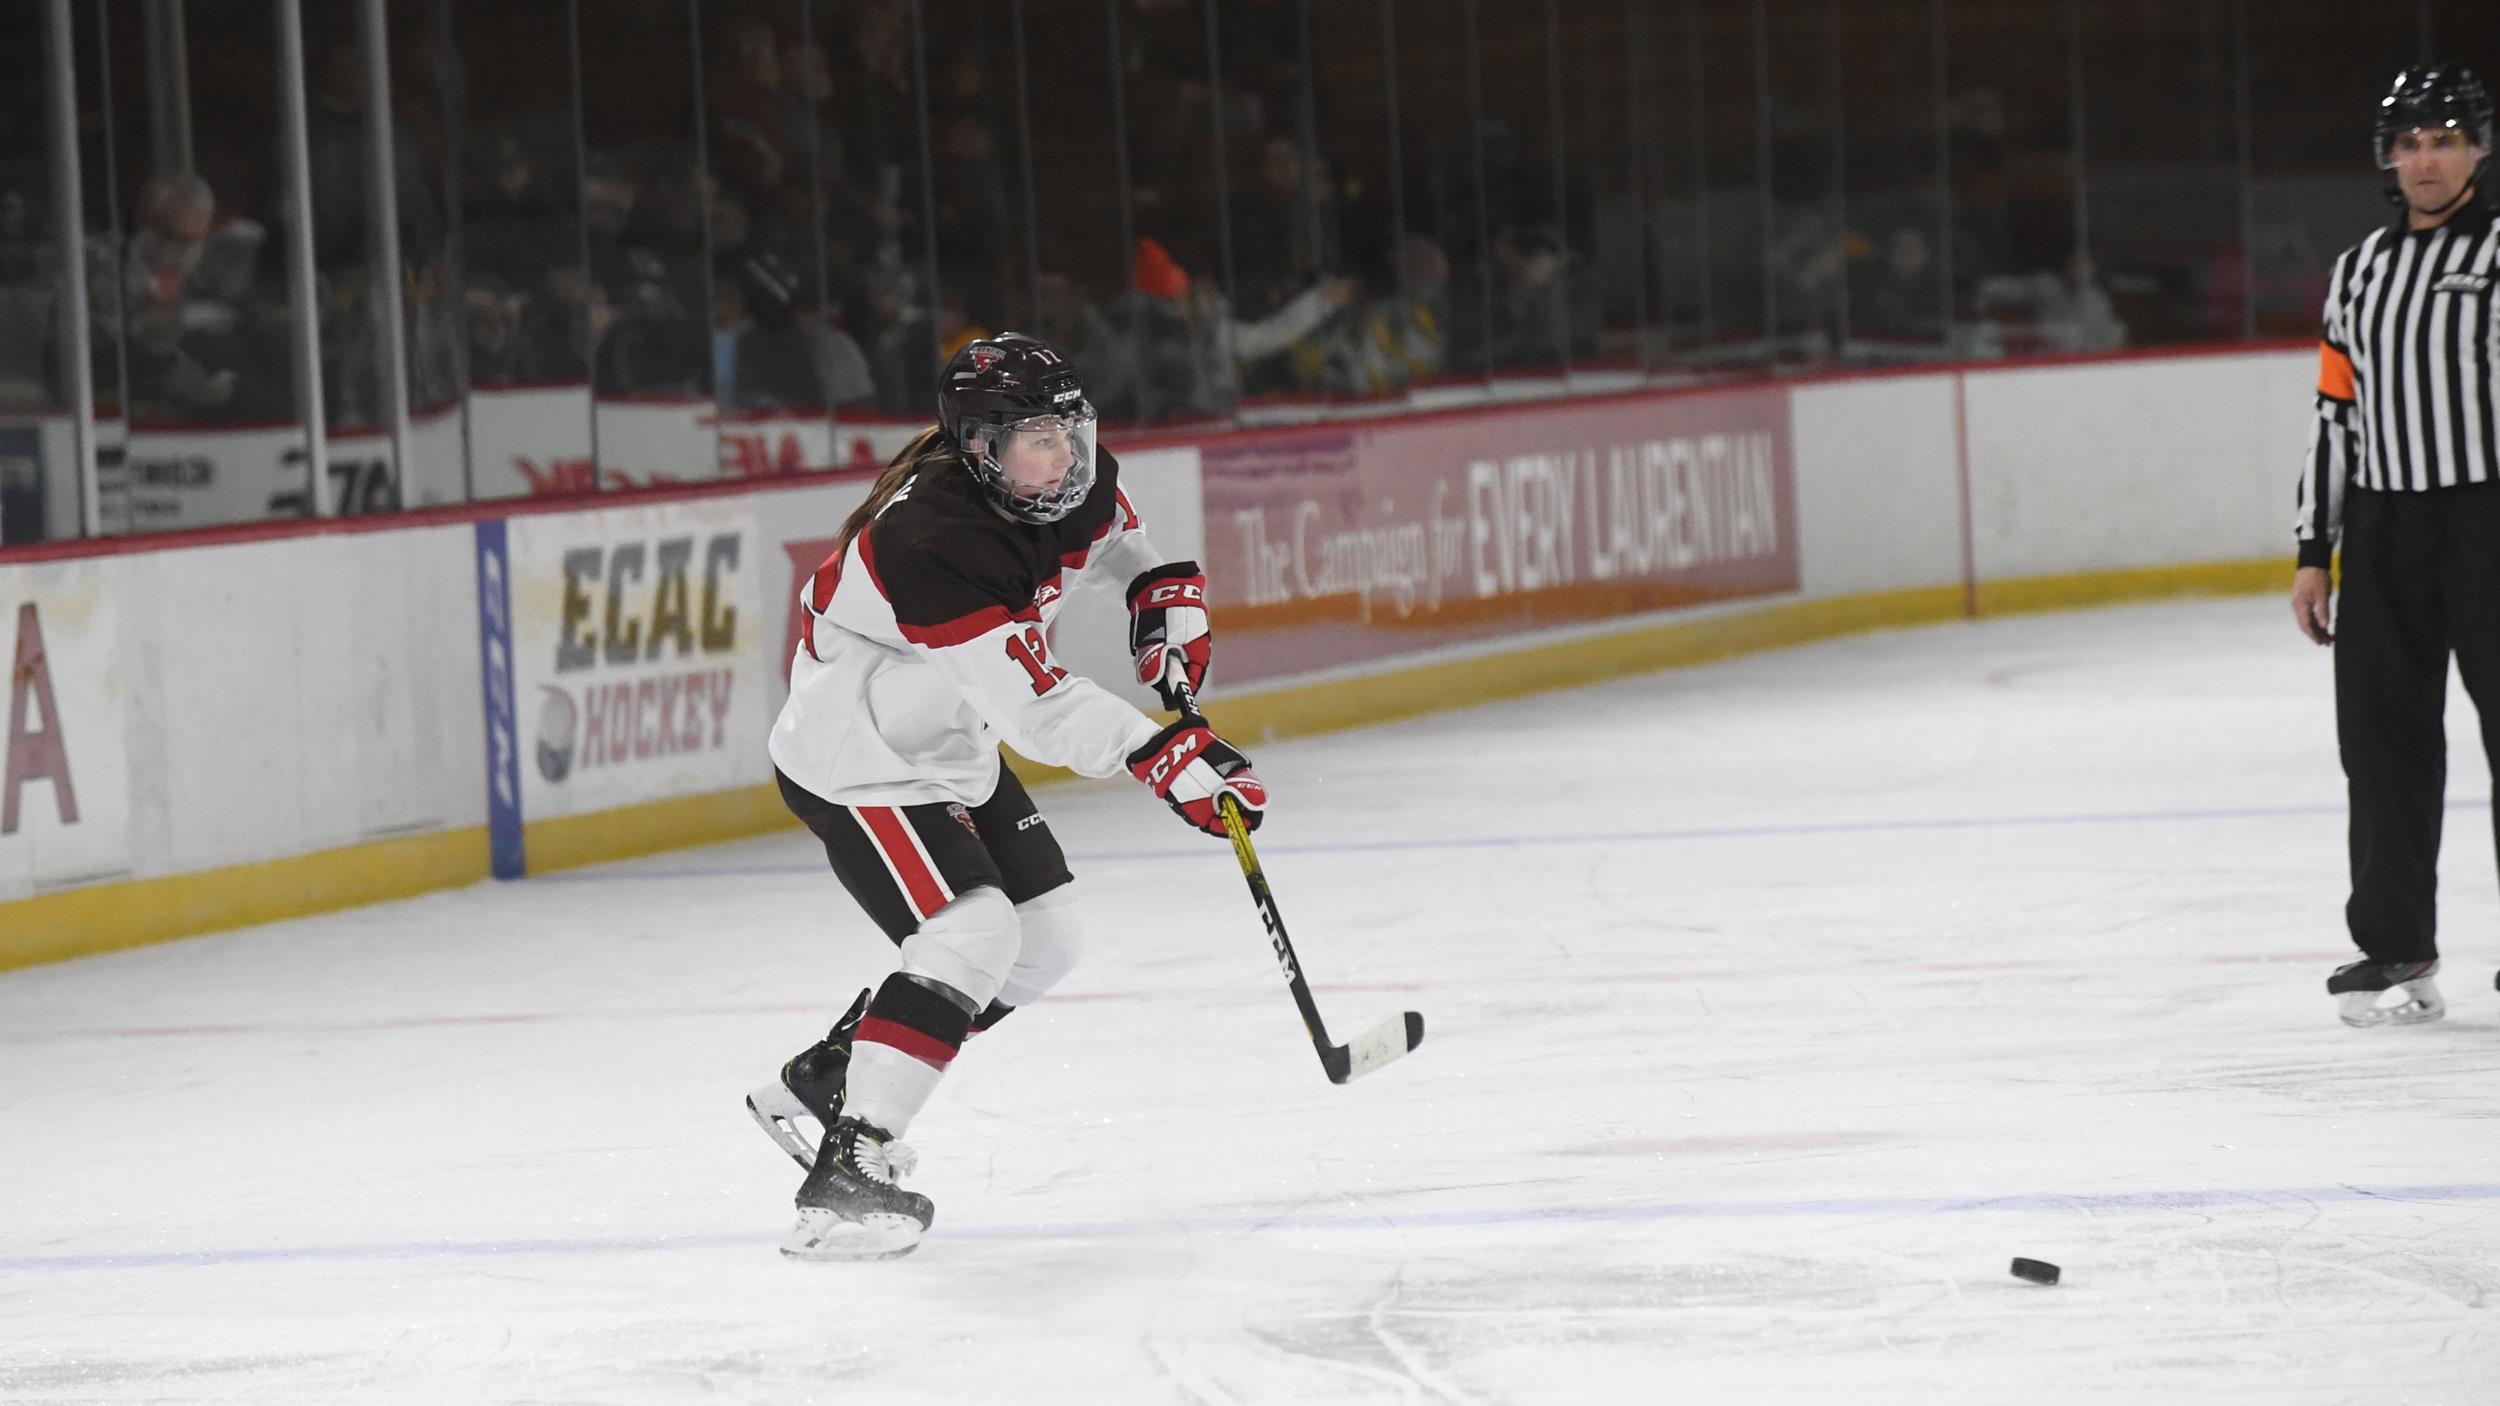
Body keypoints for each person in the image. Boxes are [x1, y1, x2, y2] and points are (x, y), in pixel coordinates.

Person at [748, 331, 1266, 1259]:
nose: (1067, 455)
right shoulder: (929, 539)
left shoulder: (1070, 471)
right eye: (1039, 437)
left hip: (949, 743)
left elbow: (1113, 534)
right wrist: (1164, 753)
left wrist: (1155, 588)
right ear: (980, 447)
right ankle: (848, 1167)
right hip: (860, 760)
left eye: (1073, 428)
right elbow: (1037, 707)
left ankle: (835, 1073)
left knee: (1048, 941)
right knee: (973, 931)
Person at [2290, 66, 2499, 1028]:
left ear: (2479, 148)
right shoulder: (2358, 270)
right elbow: (2336, 414)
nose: (2426, 158)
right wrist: (2312, 548)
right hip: (2381, 532)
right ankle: (2394, 942)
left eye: (2445, 138)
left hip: (2487, 522)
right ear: (2389, 155)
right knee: (2380, 747)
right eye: (2410, 141)